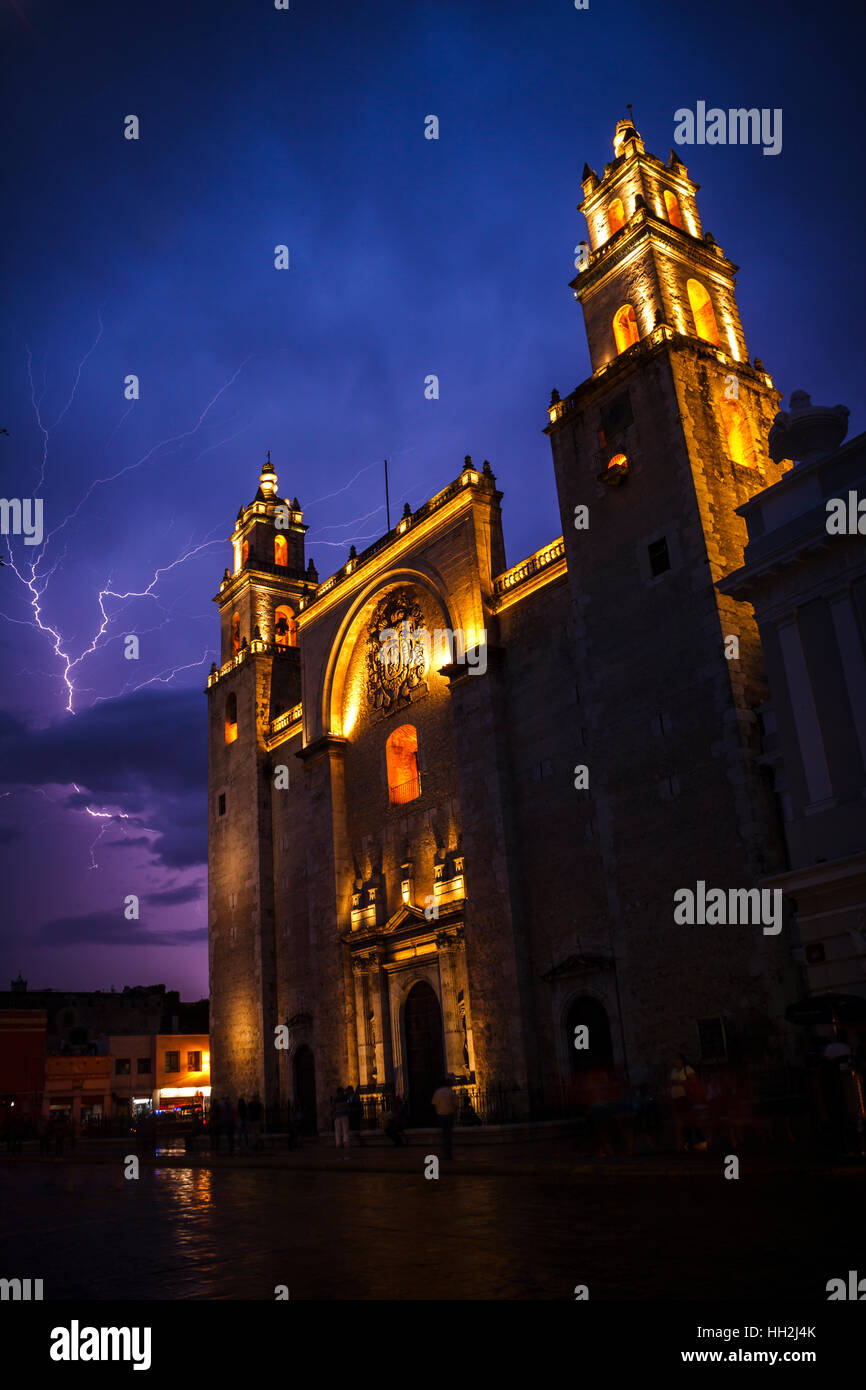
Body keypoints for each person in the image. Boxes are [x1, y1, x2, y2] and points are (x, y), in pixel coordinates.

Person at [669, 1053, 705, 1151]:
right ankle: (688, 1142)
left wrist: (680, 1082)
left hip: (686, 1098)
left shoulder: (687, 1069)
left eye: (677, 1059)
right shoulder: (673, 1071)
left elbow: (694, 1081)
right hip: (677, 1099)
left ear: (681, 1060)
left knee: (691, 1119)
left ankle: (699, 1140)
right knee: (683, 1121)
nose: (675, 1062)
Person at [431, 1077, 458, 1159]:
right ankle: (448, 1152)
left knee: (443, 1134)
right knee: (448, 1134)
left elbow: (434, 1103)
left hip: (440, 1115)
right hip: (449, 1114)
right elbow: (456, 1104)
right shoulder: (451, 1092)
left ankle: (445, 1150)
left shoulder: (437, 1092)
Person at [333, 1087, 350, 1154]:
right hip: (343, 1115)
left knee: (338, 1131)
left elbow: (333, 1107)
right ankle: (345, 1143)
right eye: (342, 1091)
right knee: (345, 1130)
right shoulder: (344, 1097)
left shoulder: (335, 1098)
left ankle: (338, 1143)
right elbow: (347, 1102)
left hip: (337, 1116)